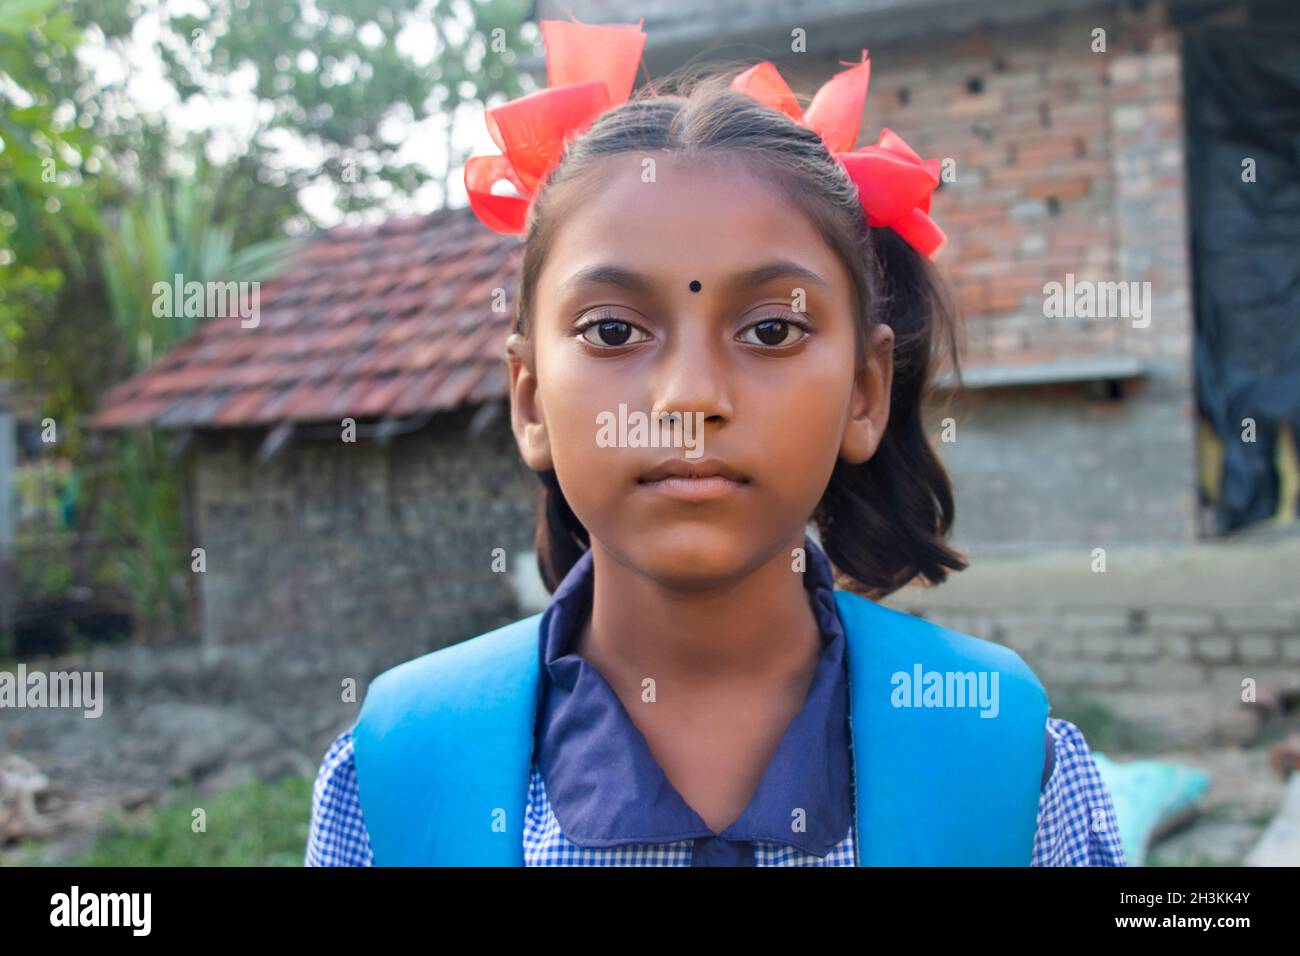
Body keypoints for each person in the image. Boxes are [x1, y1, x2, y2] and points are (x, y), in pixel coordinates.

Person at [306, 18, 1125, 867]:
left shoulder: (1002, 762)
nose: (690, 397)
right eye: (614, 331)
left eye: (772, 329)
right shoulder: (400, 774)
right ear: (532, 401)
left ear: (863, 393)